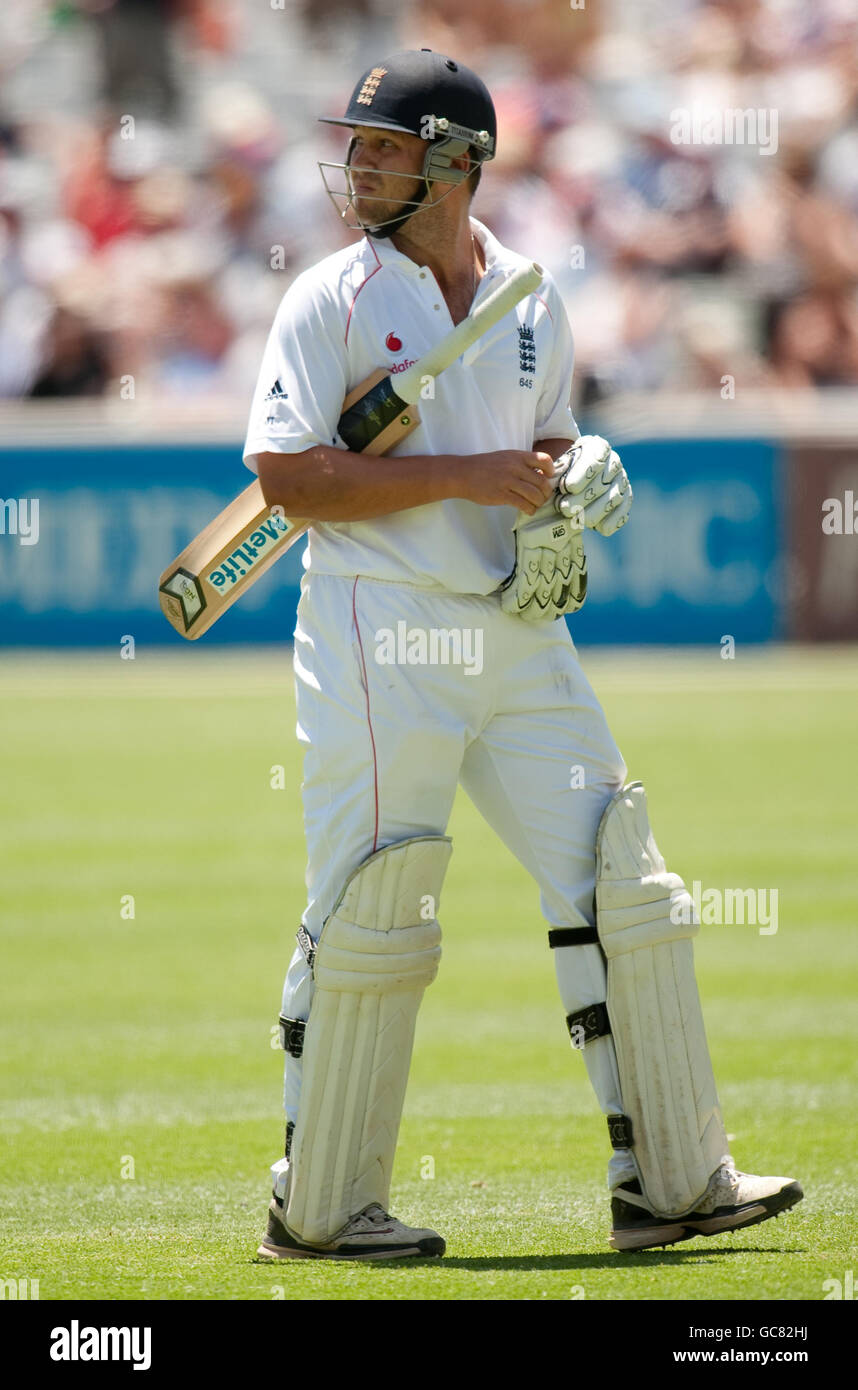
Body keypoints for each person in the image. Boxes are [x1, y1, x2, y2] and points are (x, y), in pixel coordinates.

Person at [243, 49, 802, 1259]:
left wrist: (580, 471)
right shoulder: (329, 297)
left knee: (623, 873)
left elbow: (541, 448)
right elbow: (287, 477)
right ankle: (322, 1203)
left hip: (517, 624)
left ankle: (671, 1176)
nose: (359, 165)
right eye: (360, 144)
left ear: (458, 163)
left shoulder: (530, 291)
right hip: (377, 630)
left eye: (385, 146)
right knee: (375, 904)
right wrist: (468, 477)